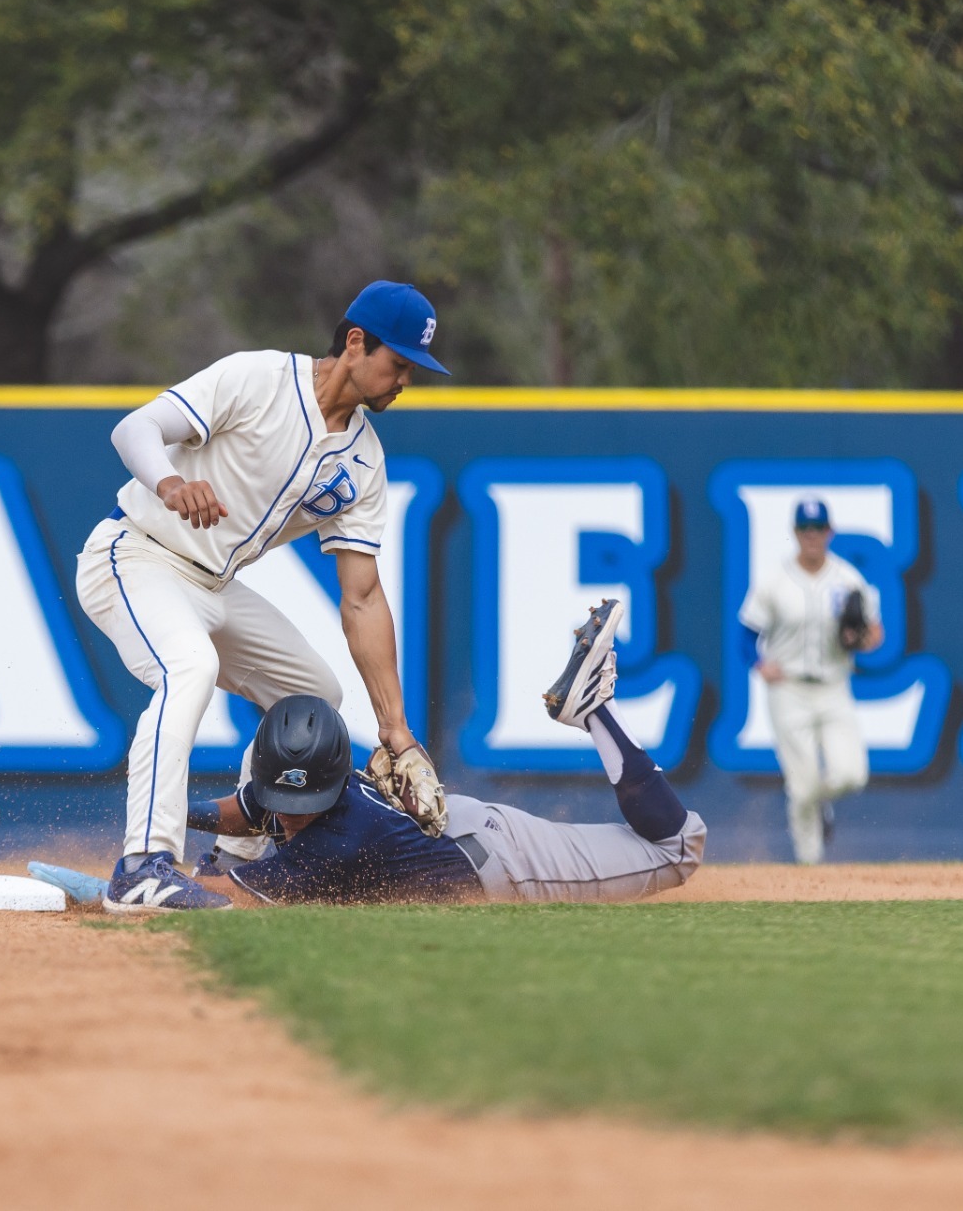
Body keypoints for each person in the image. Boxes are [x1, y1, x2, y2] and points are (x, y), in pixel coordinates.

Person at [74, 282, 448, 914]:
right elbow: (134, 427)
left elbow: (362, 598)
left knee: (313, 694)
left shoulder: (363, 460)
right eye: (400, 363)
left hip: (214, 584)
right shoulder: (259, 379)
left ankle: (231, 861)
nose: (404, 380)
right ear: (356, 343)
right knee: (189, 667)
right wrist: (168, 481)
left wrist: (396, 730)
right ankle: (142, 864)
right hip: (135, 554)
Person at [68, 600, 704, 909]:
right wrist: (166, 810)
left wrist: (127, 888)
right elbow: (246, 810)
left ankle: (591, 709)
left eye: (299, 806)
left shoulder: (336, 842)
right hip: (460, 825)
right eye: (283, 800)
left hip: (504, 865)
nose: (287, 816)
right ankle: (591, 712)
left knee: (678, 850)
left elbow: (222, 902)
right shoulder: (310, 767)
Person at [738, 496, 883, 865]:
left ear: (830, 532)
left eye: (818, 528)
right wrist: (758, 663)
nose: (812, 535)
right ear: (795, 532)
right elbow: (745, 632)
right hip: (789, 688)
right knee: (801, 787)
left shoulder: (848, 578)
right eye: (805, 528)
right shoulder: (774, 581)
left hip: (834, 686)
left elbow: (874, 633)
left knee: (852, 774)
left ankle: (822, 804)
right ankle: (810, 869)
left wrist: (862, 639)